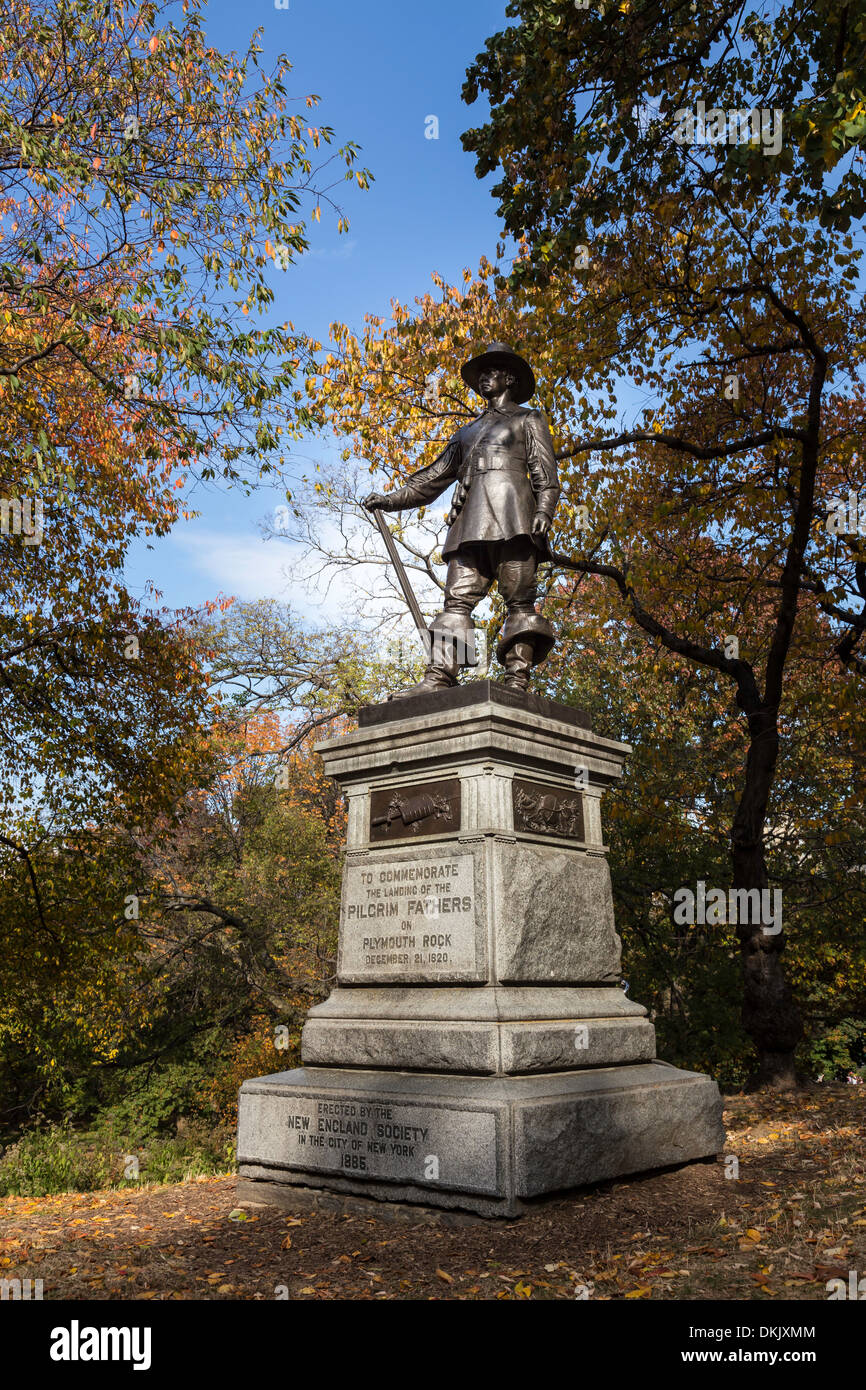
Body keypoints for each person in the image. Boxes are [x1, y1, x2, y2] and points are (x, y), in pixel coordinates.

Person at [363, 341, 560, 694]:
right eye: (481, 374)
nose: (484, 379)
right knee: (456, 601)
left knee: (519, 599)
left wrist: (544, 510)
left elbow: (545, 475)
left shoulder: (527, 419)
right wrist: (390, 500)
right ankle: (441, 677)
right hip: (470, 522)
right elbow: (432, 479)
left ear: (510, 378)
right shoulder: (467, 432)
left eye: (492, 372)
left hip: (515, 518)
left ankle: (518, 678)